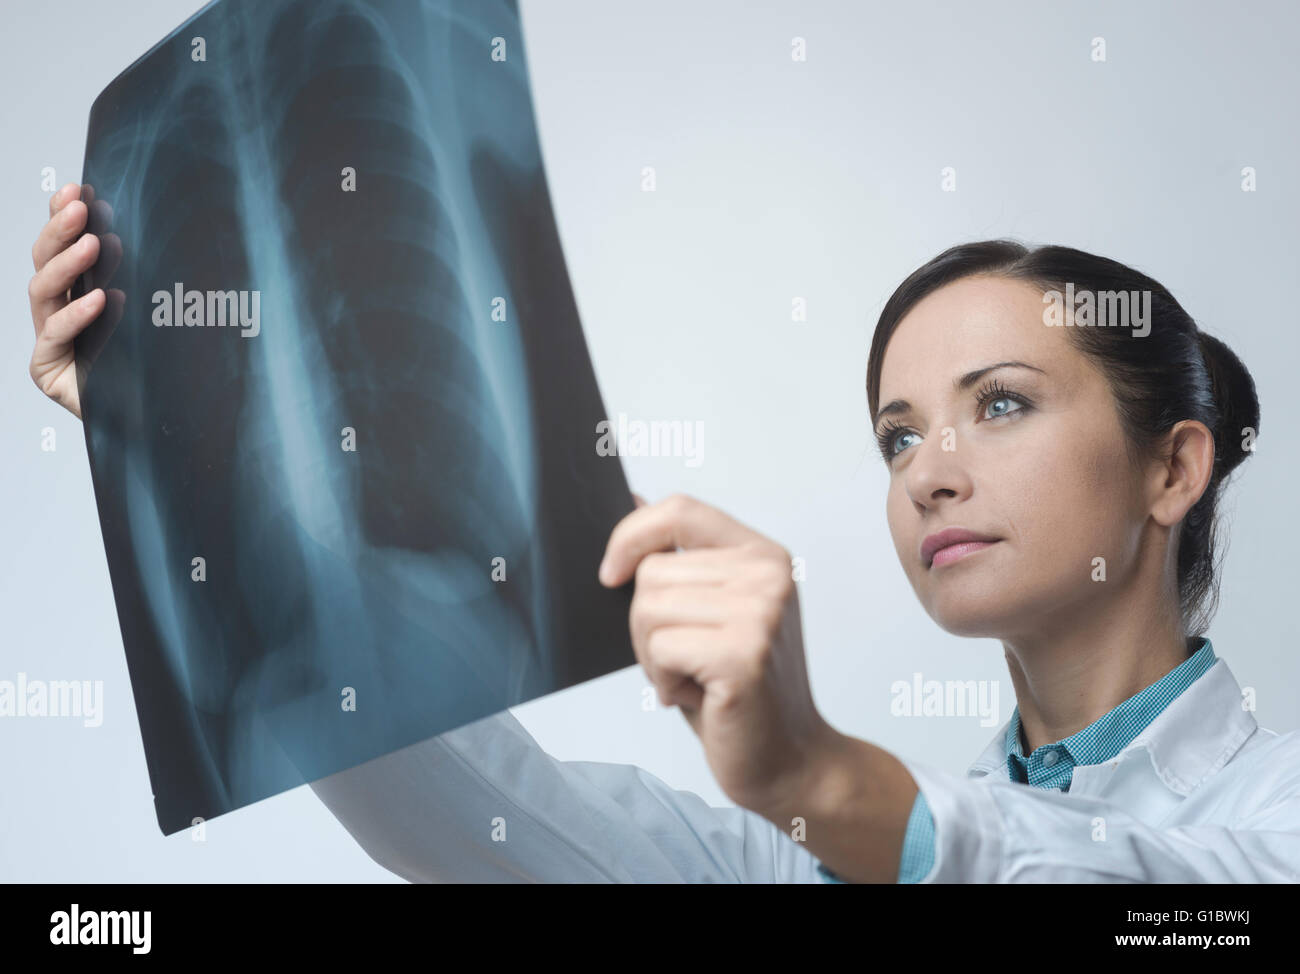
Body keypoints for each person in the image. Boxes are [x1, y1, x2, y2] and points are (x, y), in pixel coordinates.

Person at [29, 183, 1300, 882]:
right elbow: (492, 823)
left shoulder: (1271, 817)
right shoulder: (833, 858)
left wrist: (820, 777)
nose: (929, 473)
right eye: (897, 435)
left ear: (1172, 466)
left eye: (1001, 404)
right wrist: (189, 469)